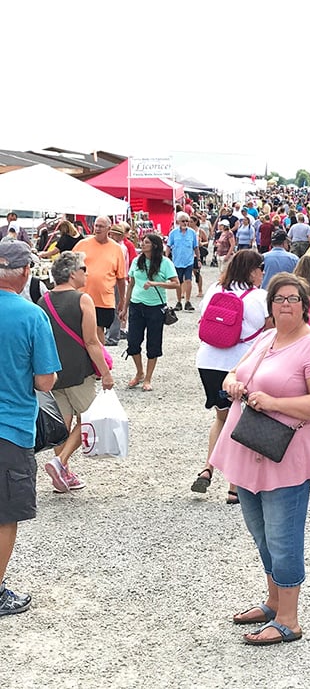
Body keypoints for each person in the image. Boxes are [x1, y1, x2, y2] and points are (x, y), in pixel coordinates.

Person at [210, 273, 310, 646]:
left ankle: (289, 619)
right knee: (262, 534)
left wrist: (275, 404)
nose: (286, 304)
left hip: (286, 456)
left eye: (293, 298)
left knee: (284, 538)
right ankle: (272, 601)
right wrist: (233, 381)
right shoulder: (267, 338)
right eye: (279, 298)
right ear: (270, 306)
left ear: (305, 304)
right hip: (249, 449)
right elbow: (238, 370)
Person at [0, 239, 60, 616]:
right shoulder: (31, 315)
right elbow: (44, 381)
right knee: (6, 513)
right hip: (10, 427)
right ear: (25, 273)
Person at [191, 249, 269, 499]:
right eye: (261, 269)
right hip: (239, 365)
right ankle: (234, 486)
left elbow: (203, 318)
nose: (263, 274)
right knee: (240, 421)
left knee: (222, 417)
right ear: (251, 271)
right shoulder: (259, 297)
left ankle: (207, 468)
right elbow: (270, 331)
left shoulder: (215, 289)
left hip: (208, 361)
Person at [38, 251, 114, 492]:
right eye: (83, 269)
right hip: (78, 371)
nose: (86, 273)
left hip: (53, 371)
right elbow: (92, 341)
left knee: (63, 423)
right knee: (89, 417)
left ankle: (63, 475)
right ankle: (59, 463)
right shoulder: (83, 300)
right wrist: (106, 373)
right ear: (72, 274)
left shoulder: (43, 301)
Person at [122, 233, 179, 392]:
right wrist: (124, 307)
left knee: (153, 343)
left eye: (146, 242)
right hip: (136, 305)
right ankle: (139, 372)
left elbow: (176, 284)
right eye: (143, 242)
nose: (143, 244)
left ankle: (148, 377)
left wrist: (156, 283)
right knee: (133, 342)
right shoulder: (136, 261)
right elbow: (131, 285)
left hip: (155, 307)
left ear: (154, 245)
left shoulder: (165, 262)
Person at [75, 216, 128, 343]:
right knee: (83, 330)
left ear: (109, 229)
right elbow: (70, 266)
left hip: (104, 299)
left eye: (101, 226)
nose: (97, 229)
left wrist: (122, 299)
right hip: (83, 296)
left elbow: (121, 278)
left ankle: (100, 359)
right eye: (96, 225)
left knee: (99, 330)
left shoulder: (116, 249)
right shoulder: (82, 244)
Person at [166, 213, 199, 312]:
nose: (185, 223)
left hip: (189, 261)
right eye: (183, 221)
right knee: (178, 282)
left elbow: (196, 247)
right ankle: (179, 301)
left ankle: (188, 301)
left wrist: (199, 259)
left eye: (187, 221)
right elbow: (168, 246)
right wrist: (166, 258)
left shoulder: (192, 233)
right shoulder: (173, 233)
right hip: (177, 261)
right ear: (178, 222)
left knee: (188, 281)